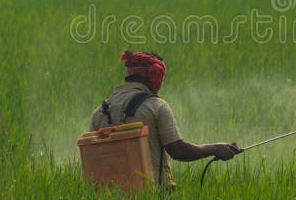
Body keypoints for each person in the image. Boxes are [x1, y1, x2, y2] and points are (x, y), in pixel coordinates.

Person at [90, 51, 241, 188]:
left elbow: (93, 159)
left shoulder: (101, 111)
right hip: (152, 196)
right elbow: (178, 151)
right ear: (155, 76)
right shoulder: (156, 106)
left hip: (108, 199)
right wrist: (215, 148)